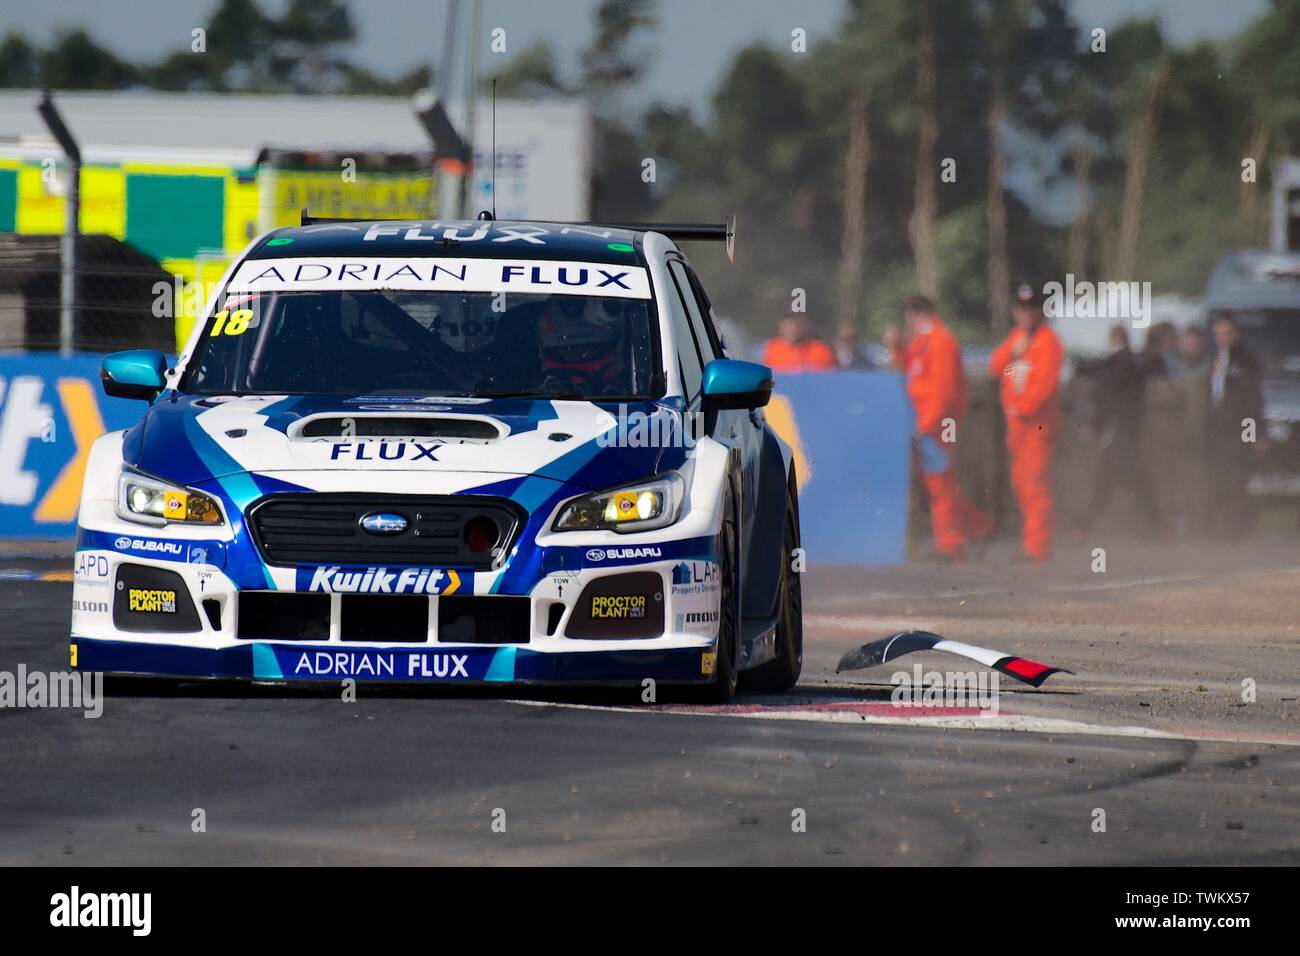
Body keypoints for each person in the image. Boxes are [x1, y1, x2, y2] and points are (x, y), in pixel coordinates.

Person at [886, 295, 992, 562]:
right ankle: (979, 527)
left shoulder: (940, 341)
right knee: (941, 482)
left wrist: (926, 424)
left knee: (941, 483)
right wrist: (898, 349)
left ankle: (951, 545)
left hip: (940, 423)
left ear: (915, 314)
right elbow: (910, 372)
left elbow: (943, 391)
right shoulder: (923, 343)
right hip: (929, 422)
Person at [988, 284, 1065, 563]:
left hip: (1037, 425)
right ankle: (1032, 543)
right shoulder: (1016, 339)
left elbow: (1043, 387)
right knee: (1022, 484)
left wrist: (1018, 408)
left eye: (1031, 308)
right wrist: (1013, 356)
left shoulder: (1049, 342)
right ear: (1015, 311)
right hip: (1017, 426)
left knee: (1034, 484)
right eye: (1022, 308)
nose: (1026, 313)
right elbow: (998, 369)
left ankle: (1037, 548)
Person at [1075, 324, 1164, 535]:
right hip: (1127, 431)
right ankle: (1157, 525)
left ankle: (1084, 525)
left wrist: (1095, 425)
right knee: (1130, 480)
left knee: (1114, 480)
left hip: (1119, 432)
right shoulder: (1130, 363)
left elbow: (1108, 399)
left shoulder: (1117, 366)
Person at [1202, 315, 1264, 537]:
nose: (1222, 338)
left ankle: (1237, 529)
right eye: (1218, 334)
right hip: (1216, 432)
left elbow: (1253, 401)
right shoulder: (1214, 360)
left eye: (1226, 333)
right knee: (1217, 480)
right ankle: (1218, 528)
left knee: (1236, 480)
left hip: (1239, 432)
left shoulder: (1246, 361)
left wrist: (1255, 434)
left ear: (1235, 333)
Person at [760, 310, 837, 372]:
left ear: (807, 323)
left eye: (798, 320)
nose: (794, 326)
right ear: (781, 325)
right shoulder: (772, 350)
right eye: (789, 322)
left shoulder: (821, 351)